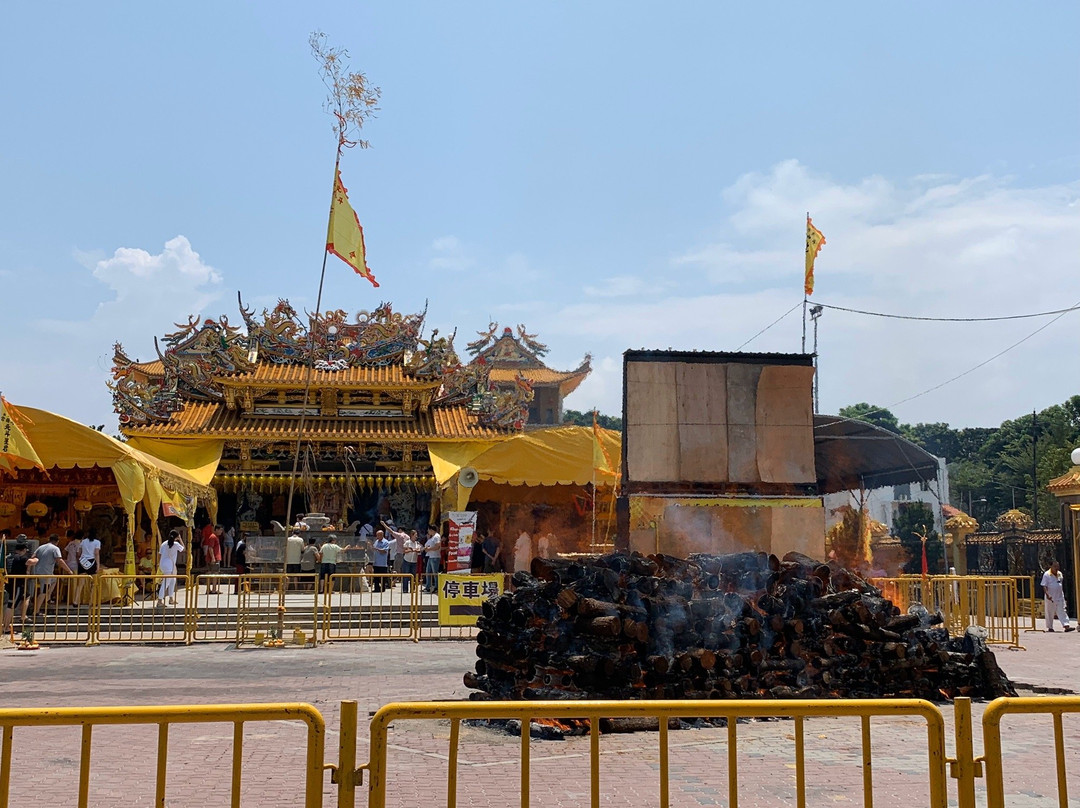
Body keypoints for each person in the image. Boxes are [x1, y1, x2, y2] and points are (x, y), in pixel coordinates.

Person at [29, 534, 73, 618]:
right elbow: (60, 560)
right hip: (46, 574)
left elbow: (32, 557)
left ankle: (48, 596)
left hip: (39, 571)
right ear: (57, 541)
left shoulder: (40, 547)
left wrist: (29, 569)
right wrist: (69, 570)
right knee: (43, 592)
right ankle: (36, 611)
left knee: (54, 579)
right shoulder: (55, 549)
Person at [4, 540, 36, 629]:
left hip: (10, 582)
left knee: (26, 596)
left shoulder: (9, 557)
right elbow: (31, 562)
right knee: (11, 606)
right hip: (17, 584)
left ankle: (23, 616)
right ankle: (6, 627)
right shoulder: (21, 558)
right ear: (24, 550)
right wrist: (36, 558)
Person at [1042, 560, 1074, 632]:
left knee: (1062, 610)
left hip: (1059, 596)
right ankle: (1050, 627)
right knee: (1049, 612)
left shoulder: (1060, 574)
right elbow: (1044, 585)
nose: (1057, 568)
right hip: (1051, 596)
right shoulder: (1046, 574)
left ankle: (1066, 625)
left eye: (1058, 566)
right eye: (1055, 566)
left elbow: (1060, 583)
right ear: (1051, 566)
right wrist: (1047, 595)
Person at [384, 523, 418, 593]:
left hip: (400, 554)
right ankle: (411, 588)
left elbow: (390, 531)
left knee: (396, 570)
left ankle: (394, 583)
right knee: (408, 572)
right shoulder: (408, 537)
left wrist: (384, 525)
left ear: (400, 530)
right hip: (408, 556)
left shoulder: (399, 535)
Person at [157, 529, 185, 605]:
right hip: (169, 565)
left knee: (172, 581)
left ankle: (171, 598)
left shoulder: (163, 544)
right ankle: (159, 600)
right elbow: (183, 548)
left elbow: (159, 554)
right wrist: (180, 539)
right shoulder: (176, 544)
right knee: (166, 583)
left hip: (164, 564)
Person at [202, 527, 222, 593]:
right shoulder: (213, 537)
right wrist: (213, 557)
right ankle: (213, 589)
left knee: (212, 573)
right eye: (220, 530)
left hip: (215, 557)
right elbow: (210, 548)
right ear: (216, 530)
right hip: (214, 558)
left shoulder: (215, 537)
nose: (221, 531)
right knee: (214, 574)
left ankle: (211, 589)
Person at [423, 526, 442, 593]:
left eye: (429, 530)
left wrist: (429, 549)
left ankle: (437, 586)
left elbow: (437, 546)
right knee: (428, 571)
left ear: (431, 530)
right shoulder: (432, 537)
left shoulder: (437, 536)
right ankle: (428, 586)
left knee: (435, 572)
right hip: (430, 556)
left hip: (435, 557)